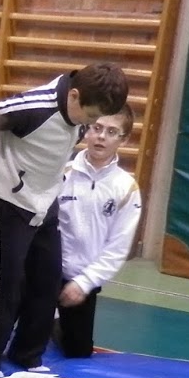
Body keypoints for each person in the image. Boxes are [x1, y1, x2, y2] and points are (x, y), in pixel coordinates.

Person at [0, 62, 130, 377]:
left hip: (45, 204)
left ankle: (27, 355)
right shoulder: (32, 108)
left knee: (47, 281)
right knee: (7, 284)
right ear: (73, 96)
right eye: (90, 117)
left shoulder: (82, 112)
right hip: (9, 203)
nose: (91, 126)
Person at [54, 104, 142, 358]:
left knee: (78, 352)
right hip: (46, 272)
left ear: (123, 139)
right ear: (86, 130)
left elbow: (117, 249)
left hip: (83, 281)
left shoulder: (126, 188)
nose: (101, 136)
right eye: (97, 128)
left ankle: (57, 325)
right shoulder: (62, 172)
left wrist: (83, 283)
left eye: (112, 132)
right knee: (26, 345)